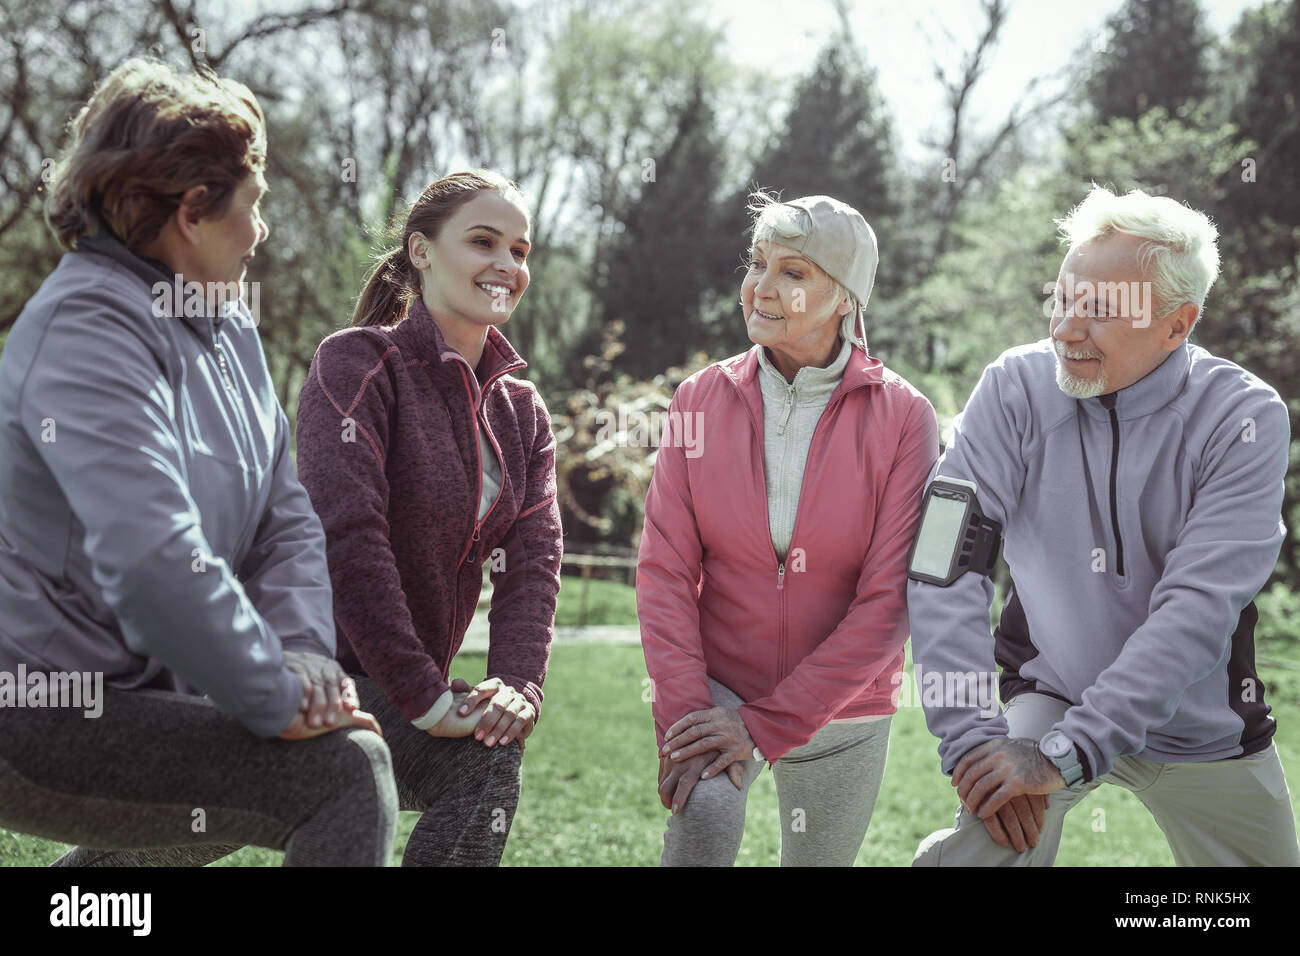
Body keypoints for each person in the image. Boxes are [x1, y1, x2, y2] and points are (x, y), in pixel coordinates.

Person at [0, 58, 397, 867]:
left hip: (144, 694)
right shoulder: (86, 332)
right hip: (37, 703)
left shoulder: (228, 329)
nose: (262, 232)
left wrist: (305, 660)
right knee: (342, 774)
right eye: (253, 208)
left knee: (242, 783)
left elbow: (283, 519)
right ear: (190, 210)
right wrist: (271, 694)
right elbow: (151, 556)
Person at [909, 185, 1300, 866]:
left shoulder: (1246, 418)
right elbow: (944, 559)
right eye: (1062, 299)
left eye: (1100, 312)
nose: (1064, 329)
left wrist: (1075, 752)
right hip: (1051, 689)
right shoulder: (1013, 389)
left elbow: (1197, 610)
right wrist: (970, 738)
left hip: (1201, 726)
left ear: (1178, 326)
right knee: (987, 847)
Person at [636, 192, 939, 866]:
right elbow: (663, 573)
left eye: (794, 273)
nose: (760, 288)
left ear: (845, 300)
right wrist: (689, 719)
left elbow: (890, 600)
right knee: (706, 817)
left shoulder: (904, 417)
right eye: (756, 263)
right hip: (719, 687)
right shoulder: (698, 400)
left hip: (845, 706)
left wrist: (767, 726)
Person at [293, 170, 563, 867]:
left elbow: (534, 565)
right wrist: (426, 697)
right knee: (160, 845)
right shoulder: (355, 363)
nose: (507, 265)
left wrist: (516, 685)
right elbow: (350, 541)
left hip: (395, 693)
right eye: (483, 242)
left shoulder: (522, 413)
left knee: (485, 765)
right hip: (301, 676)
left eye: (520, 249)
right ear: (420, 251)